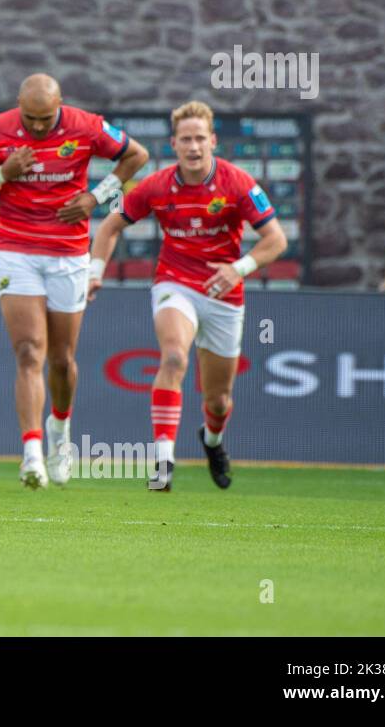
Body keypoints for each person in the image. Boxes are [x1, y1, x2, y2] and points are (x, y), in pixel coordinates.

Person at [88, 100, 288, 491]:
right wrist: (96, 273)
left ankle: (212, 441)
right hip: (175, 283)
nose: (193, 147)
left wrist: (237, 269)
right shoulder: (158, 186)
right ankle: (163, 462)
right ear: (173, 145)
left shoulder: (238, 183)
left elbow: (276, 240)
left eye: (200, 138)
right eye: (185, 140)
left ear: (212, 141)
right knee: (175, 356)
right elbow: (109, 227)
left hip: (224, 293)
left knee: (218, 401)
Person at [0, 74, 149, 489]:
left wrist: (97, 196)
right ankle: (32, 453)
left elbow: (136, 155)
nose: (38, 127)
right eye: (31, 118)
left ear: (60, 105)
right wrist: (4, 172)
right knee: (27, 351)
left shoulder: (86, 125)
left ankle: (60, 427)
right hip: (16, 250)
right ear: (18, 104)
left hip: (69, 253)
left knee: (61, 360)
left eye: (46, 118)